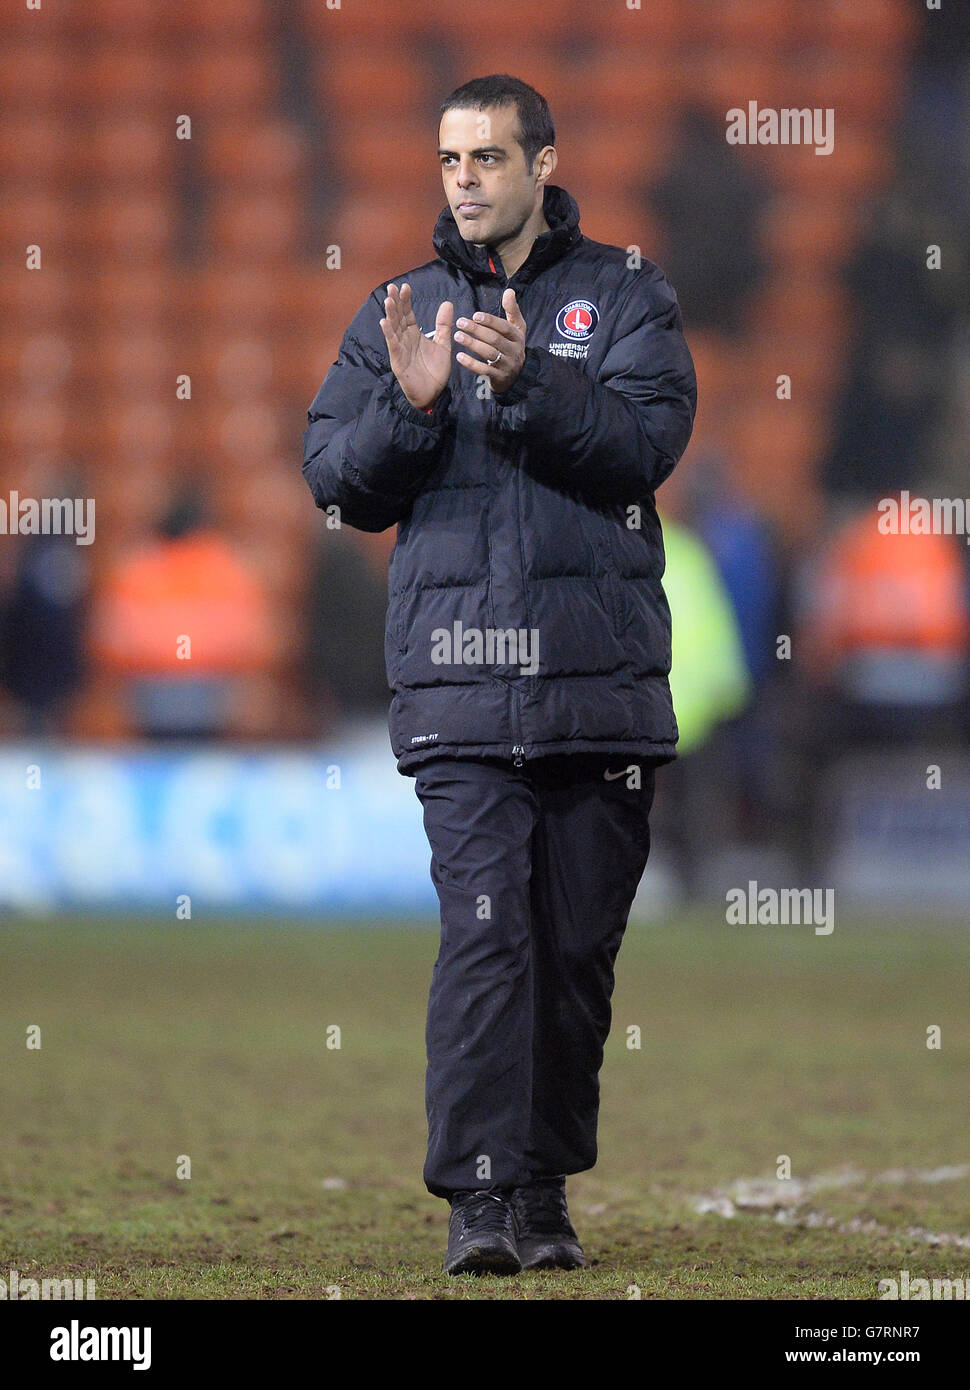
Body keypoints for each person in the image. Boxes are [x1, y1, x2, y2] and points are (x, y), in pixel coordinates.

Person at [303, 75, 696, 1275]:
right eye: (447, 161)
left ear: (542, 165)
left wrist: (532, 382)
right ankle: (482, 1201)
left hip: (599, 691)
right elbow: (333, 475)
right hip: (463, 700)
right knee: (488, 942)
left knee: (574, 955)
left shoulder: (625, 294)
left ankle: (540, 1189)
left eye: (485, 157)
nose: (464, 179)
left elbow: (645, 446)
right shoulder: (399, 310)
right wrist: (414, 413)